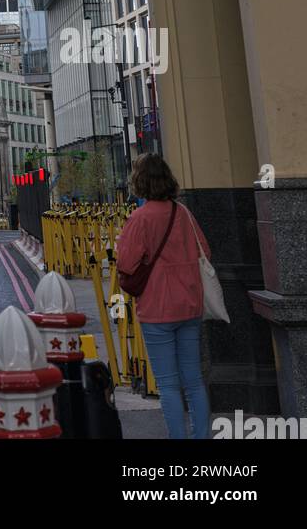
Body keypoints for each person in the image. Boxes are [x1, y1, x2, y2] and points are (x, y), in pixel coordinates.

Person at [116, 154, 212, 440]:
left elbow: (126, 264)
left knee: (169, 386)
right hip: (190, 305)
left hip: (158, 309)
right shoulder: (183, 213)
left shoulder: (140, 218)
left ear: (140, 181)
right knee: (194, 382)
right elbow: (204, 252)